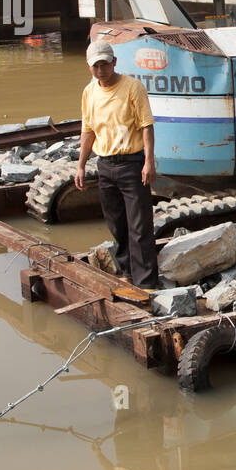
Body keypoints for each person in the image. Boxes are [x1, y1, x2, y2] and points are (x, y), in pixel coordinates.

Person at [74, 40, 159, 289]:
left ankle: (146, 284)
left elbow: (146, 125)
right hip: (106, 165)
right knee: (116, 224)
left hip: (132, 164)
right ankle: (128, 272)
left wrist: (148, 161)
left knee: (140, 225)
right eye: (96, 66)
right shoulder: (89, 92)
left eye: (105, 64)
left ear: (114, 63)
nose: (101, 70)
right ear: (89, 67)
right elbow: (88, 131)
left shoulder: (132, 88)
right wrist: (80, 164)